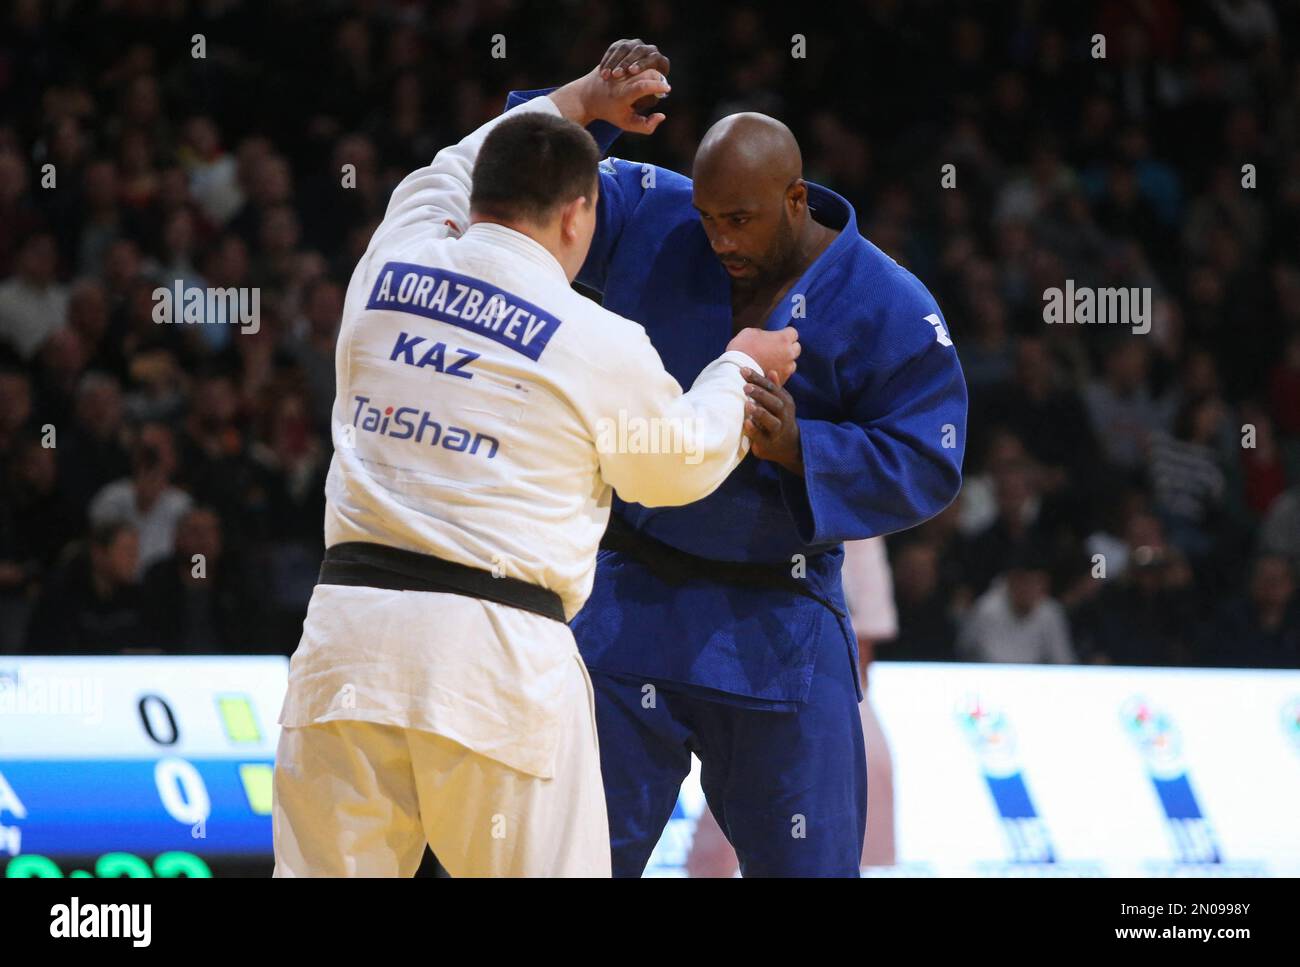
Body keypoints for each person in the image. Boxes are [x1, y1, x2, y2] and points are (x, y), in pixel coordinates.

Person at [272, 65, 802, 877]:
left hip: (347, 645)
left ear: (479, 192)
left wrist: (584, 97)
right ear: (579, 213)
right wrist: (739, 368)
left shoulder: (390, 259)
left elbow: (450, 161)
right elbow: (675, 465)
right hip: (494, 661)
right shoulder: (590, 335)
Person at [506, 39, 967, 876]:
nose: (718, 238)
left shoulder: (889, 303)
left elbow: (930, 460)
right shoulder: (657, 215)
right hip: (626, 601)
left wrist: (802, 446)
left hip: (778, 623)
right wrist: (587, 106)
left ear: (795, 199)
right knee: (566, 863)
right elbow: (515, 175)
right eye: (710, 217)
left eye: (741, 220)